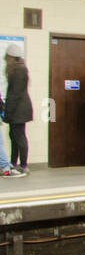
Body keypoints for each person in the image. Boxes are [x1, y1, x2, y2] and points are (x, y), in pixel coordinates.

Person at [3, 43, 32, 174]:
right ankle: (14, 163)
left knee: (19, 137)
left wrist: (7, 111)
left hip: (18, 110)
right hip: (19, 109)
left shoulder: (18, 71)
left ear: (10, 57)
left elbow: (15, 94)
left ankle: (24, 165)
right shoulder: (19, 69)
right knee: (14, 136)